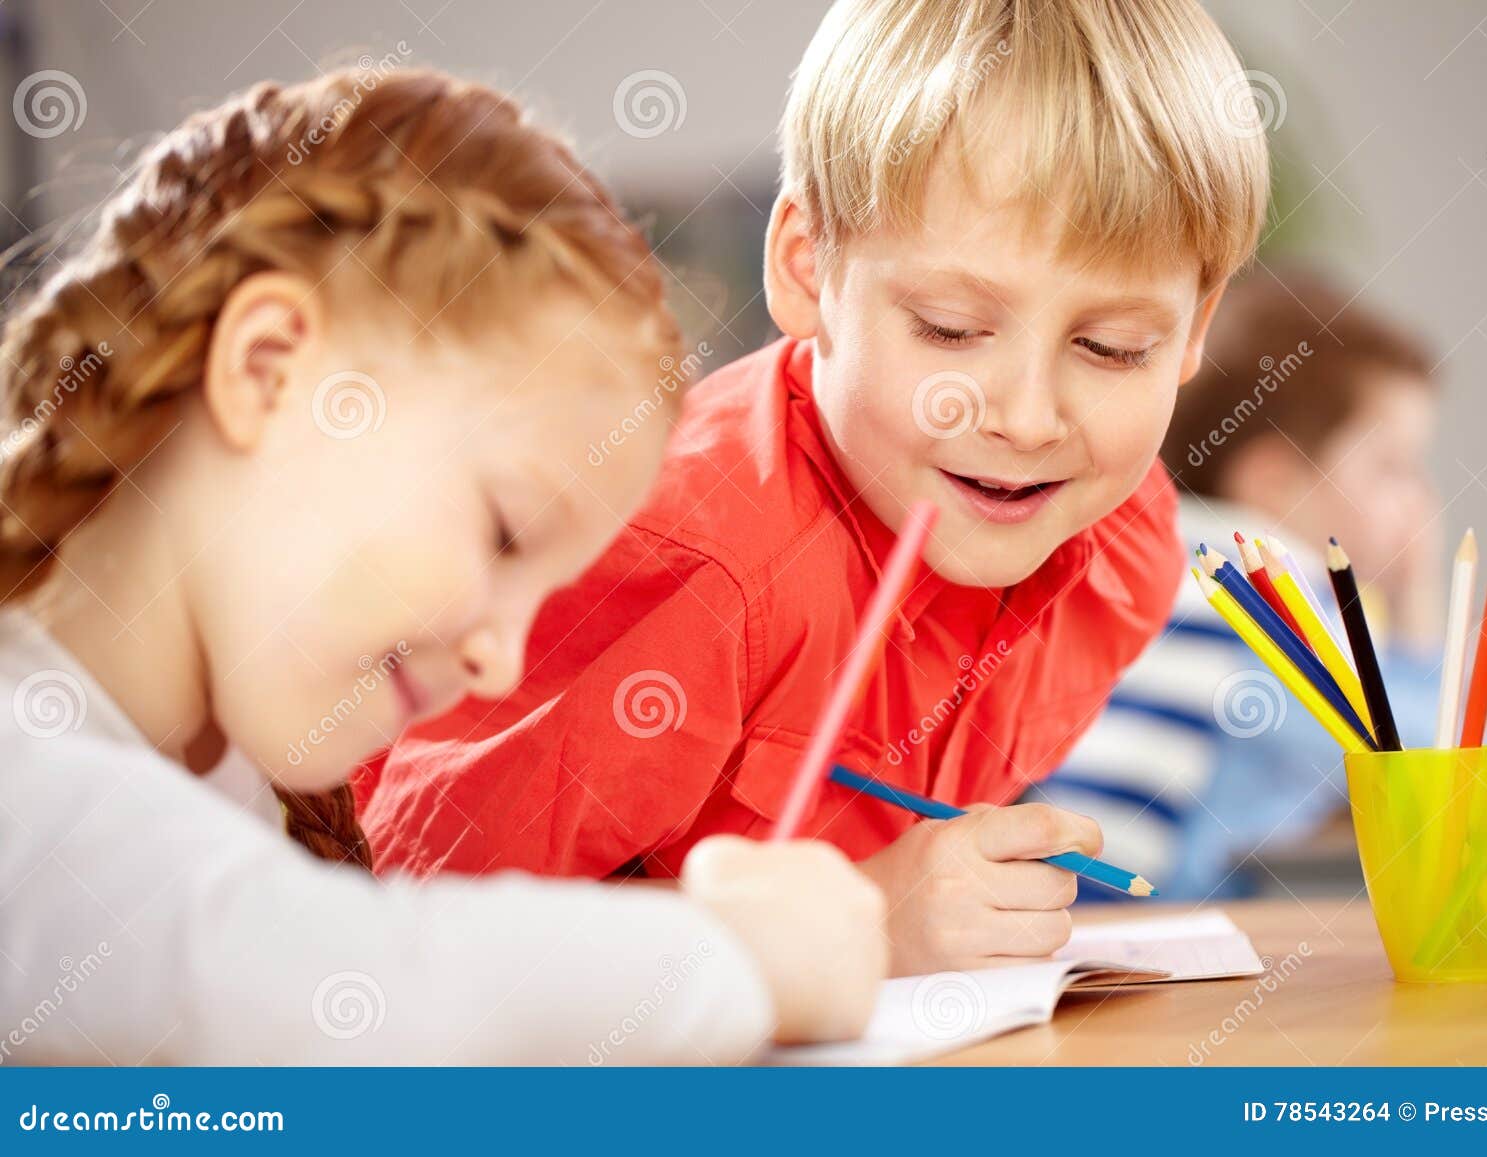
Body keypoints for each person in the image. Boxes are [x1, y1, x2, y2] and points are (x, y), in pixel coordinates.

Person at [361, 0, 1270, 976]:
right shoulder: (693, 566)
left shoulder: (1110, 544)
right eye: (951, 327)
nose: (1027, 415)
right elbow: (405, 934)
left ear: (1192, 329)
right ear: (807, 268)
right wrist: (866, 916)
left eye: (1111, 347)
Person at [0, 68, 885, 1065]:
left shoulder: (223, 783)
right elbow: (326, 983)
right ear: (267, 369)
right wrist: (740, 958)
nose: (500, 662)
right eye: (505, 532)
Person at [1029, 268, 1487, 898]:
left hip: (1091, 904)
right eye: (1394, 468)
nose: (1425, 503)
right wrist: (1420, 602)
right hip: (1141, 923)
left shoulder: (1169, 553)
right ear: (1273, 481)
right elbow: (1457, 769)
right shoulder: (1262, 593)